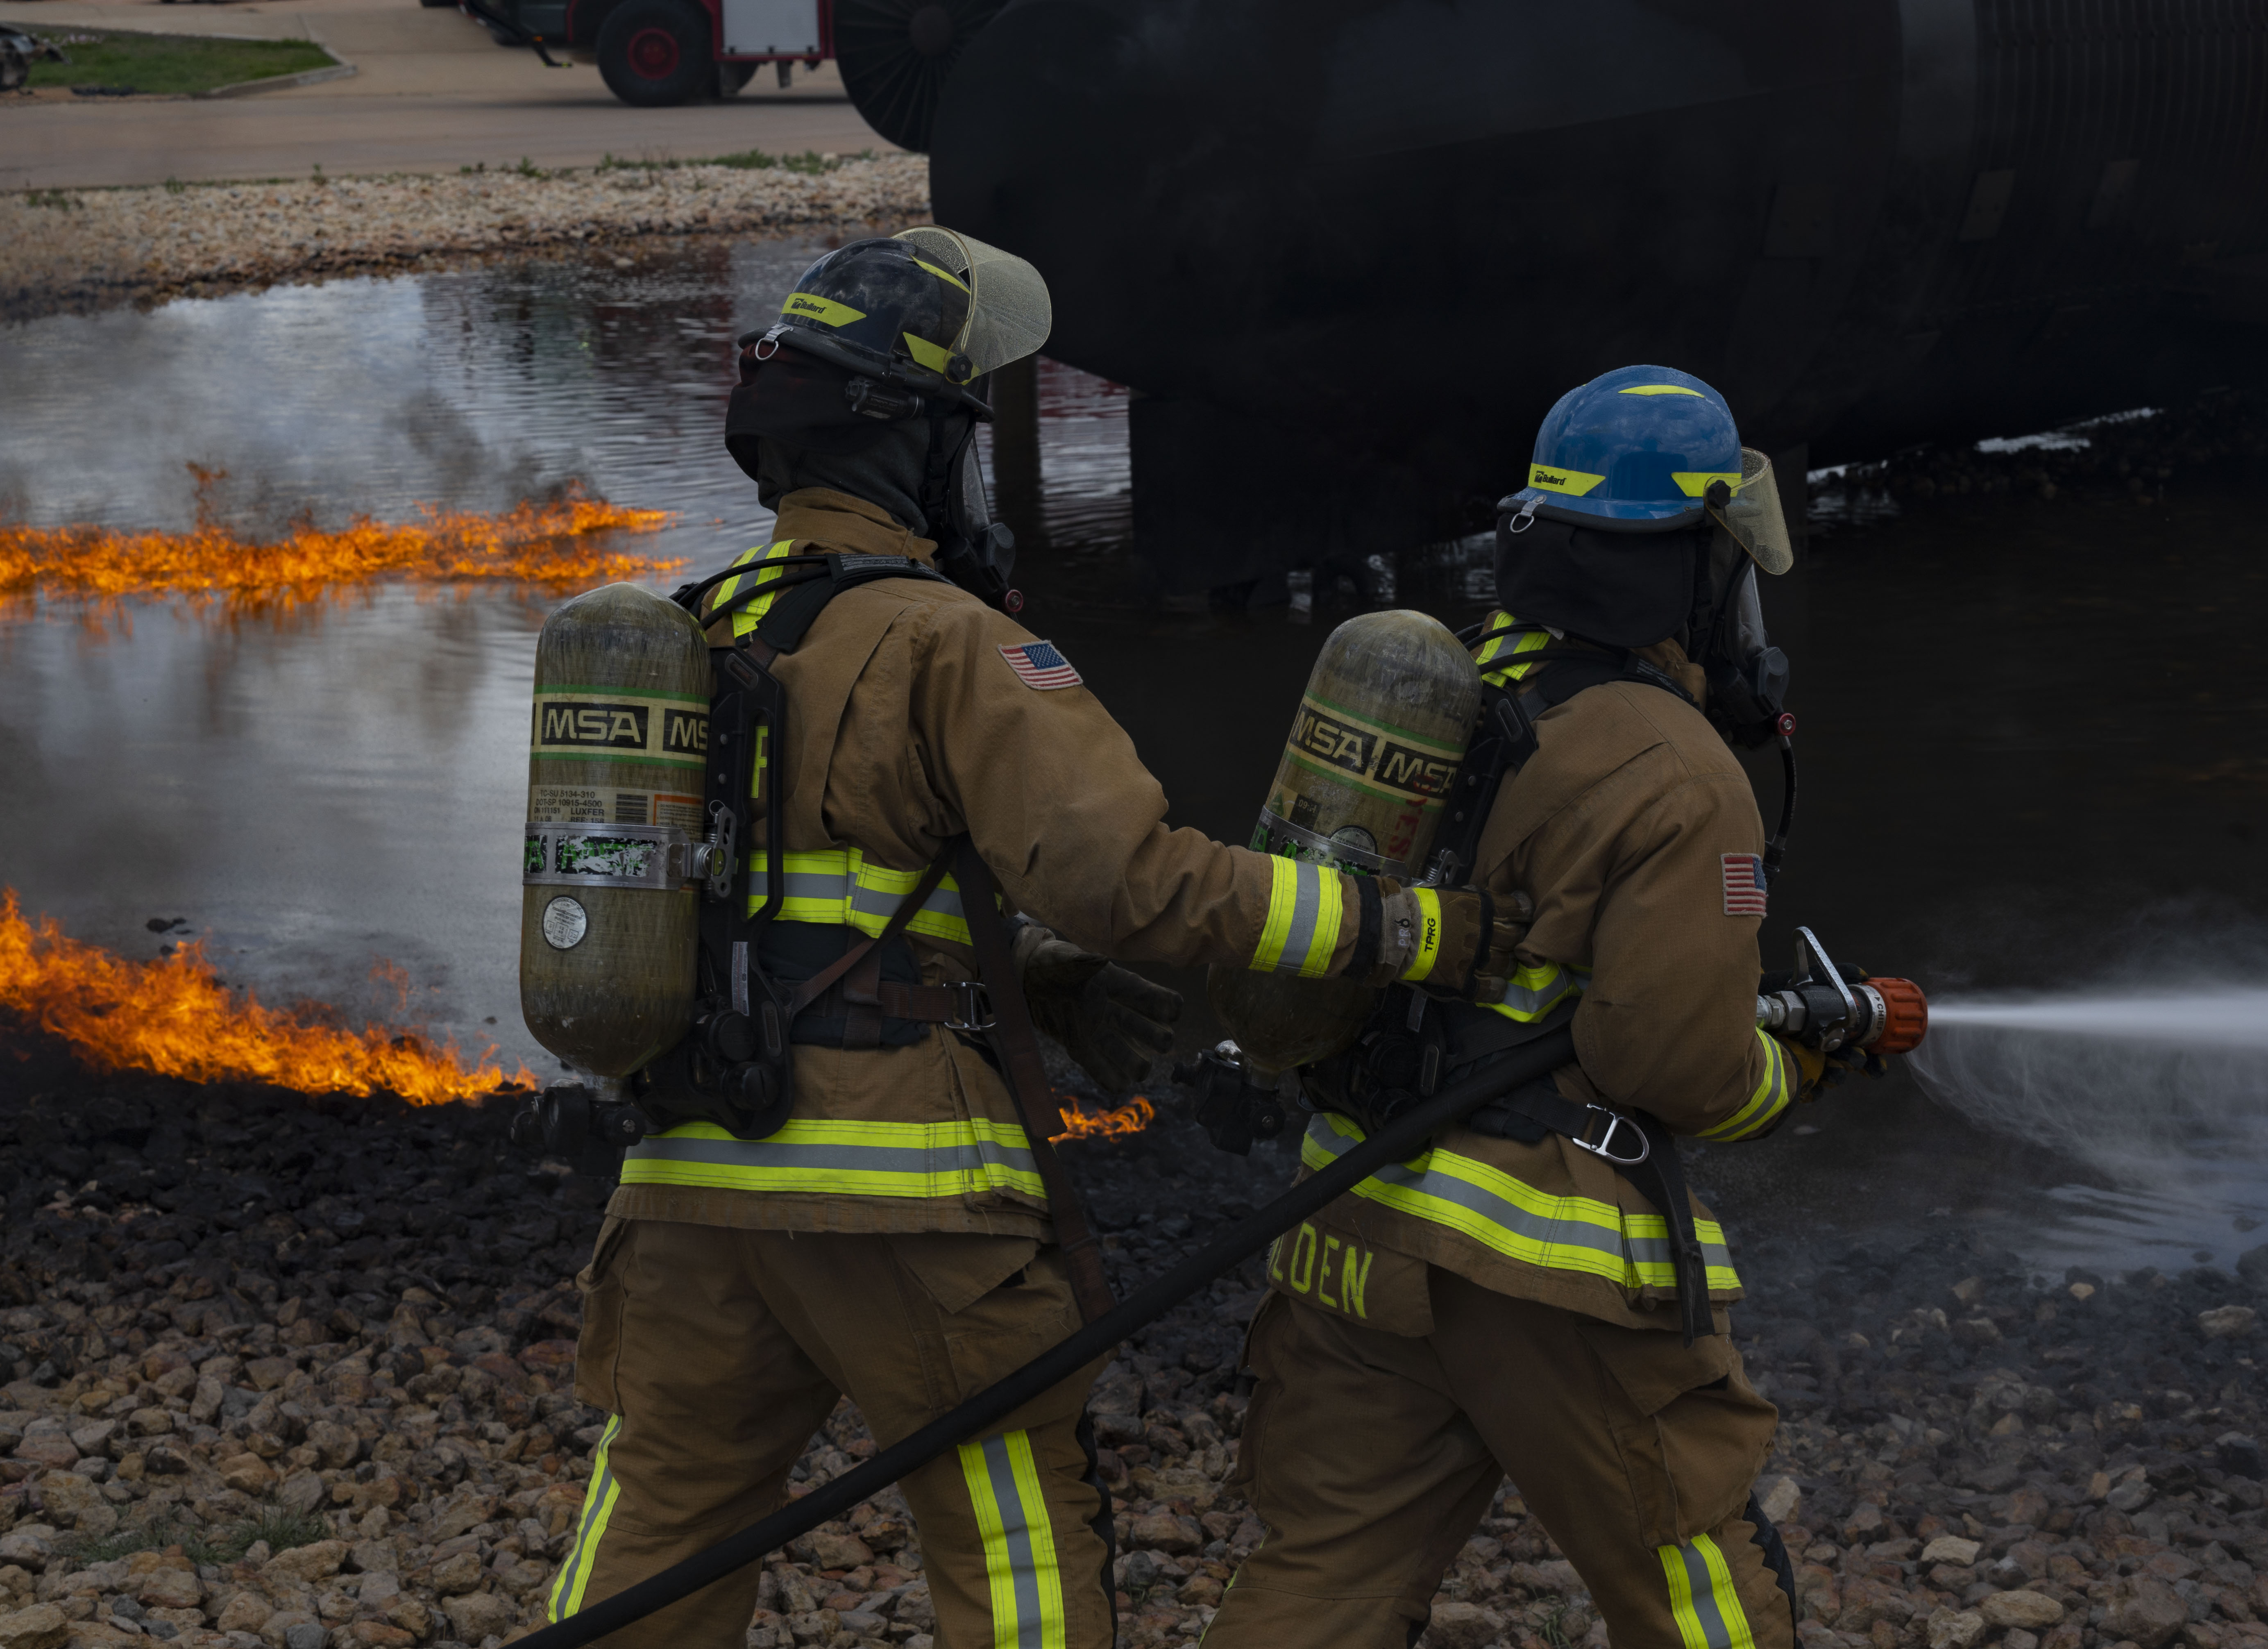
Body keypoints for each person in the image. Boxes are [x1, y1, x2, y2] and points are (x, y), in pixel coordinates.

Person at [526, 228, 1526, 1649]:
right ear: (919, 454)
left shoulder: (700, 627)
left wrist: (1032, 979)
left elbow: (760, 903)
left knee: (662, 1523)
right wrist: (1396, 927)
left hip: (687, 1184)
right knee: (1013, 1524)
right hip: (901, 1201)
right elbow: (1138, 882)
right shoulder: (948, 643)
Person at [1207, 365, 1830, 1649]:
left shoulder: (1455, 693)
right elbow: (1669, 1057)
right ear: (1696, 570)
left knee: (1327, 1578)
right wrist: (1794, 1069)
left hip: (1355, 1220)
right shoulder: (1679, 770)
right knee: (1693, 1571)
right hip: (1540, 1268)